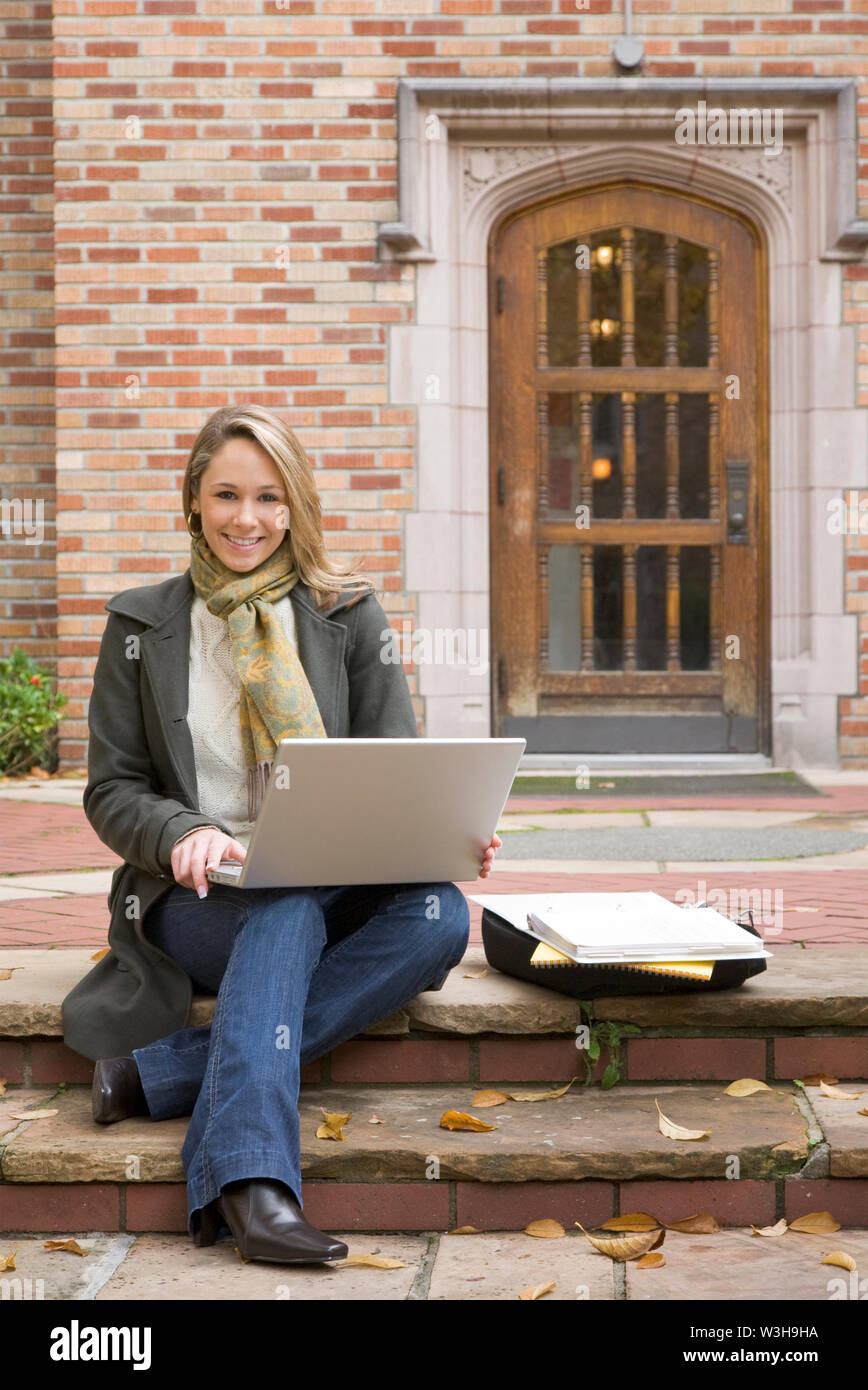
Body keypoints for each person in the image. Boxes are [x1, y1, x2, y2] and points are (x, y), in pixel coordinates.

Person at [61, 404, 501, 1265]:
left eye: (269, 498)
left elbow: (393, 768)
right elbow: (111, 789)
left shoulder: (349, 616)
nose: (247, 519)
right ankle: (255, 1183)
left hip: (329, 873)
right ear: (192, 501)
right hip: (196, 896)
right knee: (285, 910)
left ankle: (159, 1074)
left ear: (295, 508)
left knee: (440, 916)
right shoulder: (140, 627)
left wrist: (441, 833)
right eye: (226, 495)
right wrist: (180, 828)